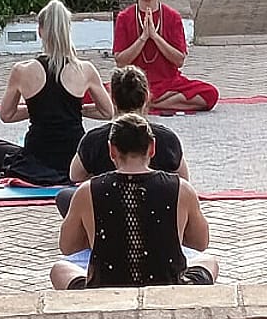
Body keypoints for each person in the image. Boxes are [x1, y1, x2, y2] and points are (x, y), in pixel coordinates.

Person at [50, 113, 218, 289]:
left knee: (60, 269)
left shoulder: (88, 190)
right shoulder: (181, 188)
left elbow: (68, 246)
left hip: (105, 286)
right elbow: (200, 243)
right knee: (209, 261)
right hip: (169, 285)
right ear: (152, 148)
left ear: (112, 150)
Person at [0, 0, 114, 185]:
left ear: (40, 31)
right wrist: (71, 109)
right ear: (68, 30)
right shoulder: (86, 69)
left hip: (37, 156)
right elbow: (107, 112)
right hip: (74, 157)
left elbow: (7, 115)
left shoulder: (22, 70)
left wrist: (40, 109)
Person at [55, 66, 189, 216]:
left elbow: (75, 175)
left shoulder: (95, 139)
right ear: (146, 97)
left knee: (66, 196)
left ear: (113, 99)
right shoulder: (166, 137)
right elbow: (183, 178)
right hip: (155, 210)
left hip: (108, 210)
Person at [113, 0, 218, 113]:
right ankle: (151, 101)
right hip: (133, 83)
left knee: (210, 94)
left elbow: (179, 60)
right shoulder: (125, 17)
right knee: (91, 94)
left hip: (169, 83)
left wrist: (155, 37)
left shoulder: (172, 16)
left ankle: (149, 103)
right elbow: (121, 62)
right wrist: (143, 38)